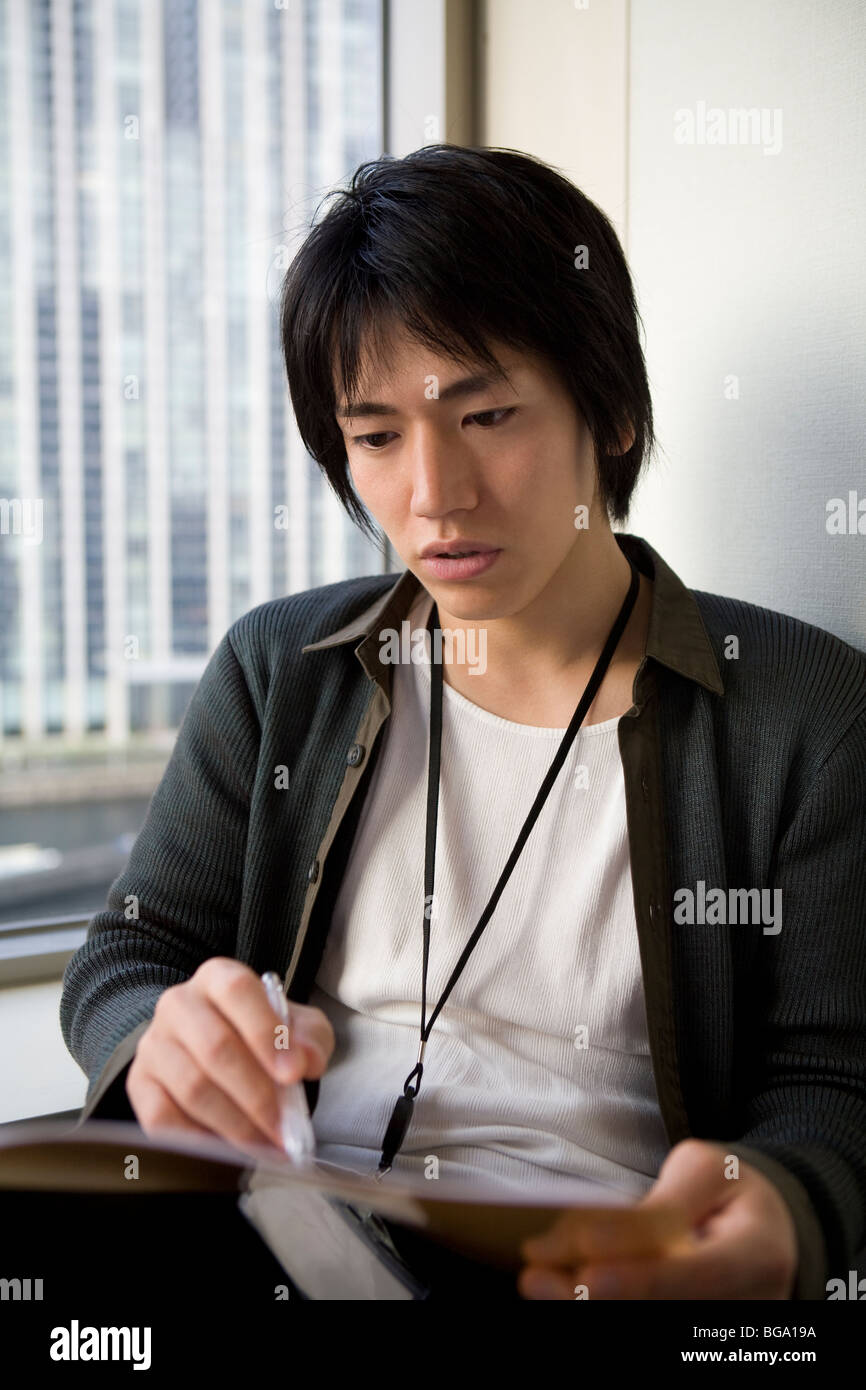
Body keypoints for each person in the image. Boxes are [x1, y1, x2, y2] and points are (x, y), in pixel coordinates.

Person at [60, 144, 866, 1302]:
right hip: (276, 1224)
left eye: (485, 414)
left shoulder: (805, 715)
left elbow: (834, 1084)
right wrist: (162, 1035)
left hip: (580, 1265)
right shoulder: (280, 668)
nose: (433, 494)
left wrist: (778, 1213)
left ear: (614, 412)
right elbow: (130, 952)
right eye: (377, 436)